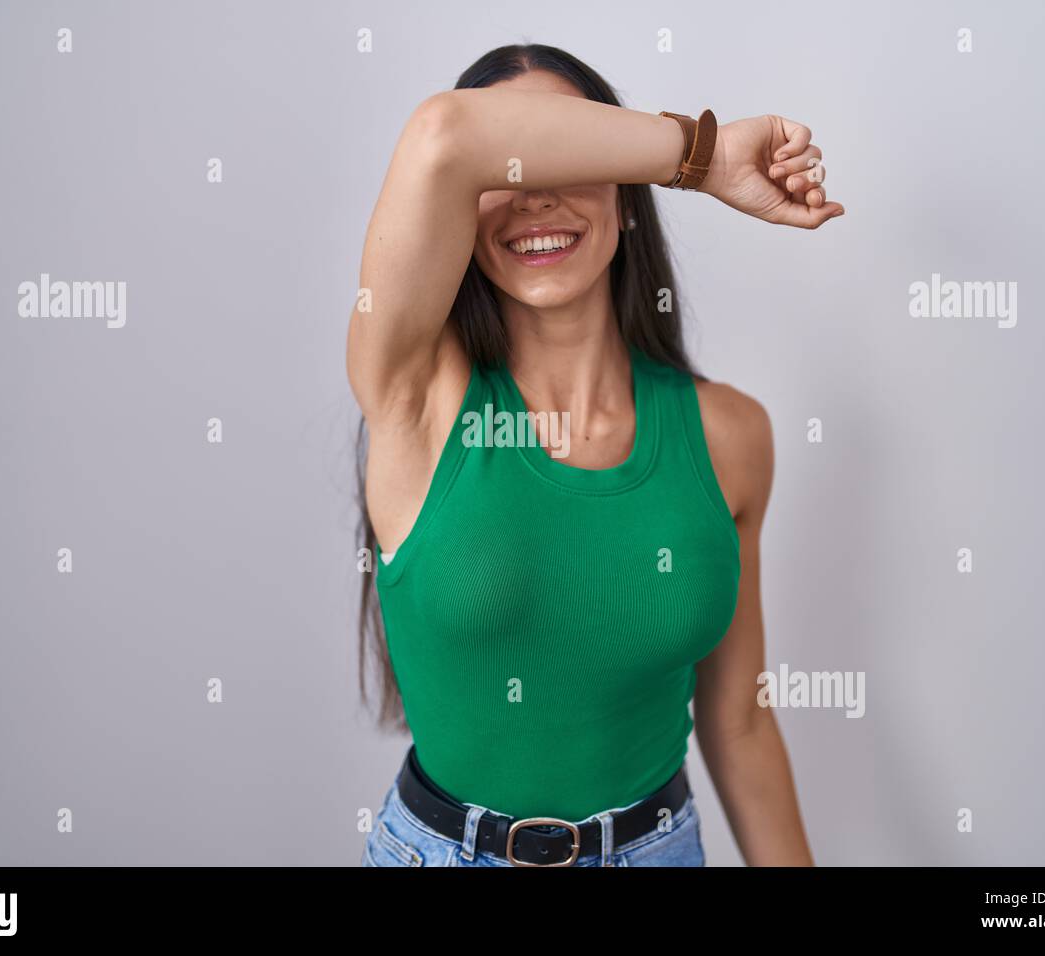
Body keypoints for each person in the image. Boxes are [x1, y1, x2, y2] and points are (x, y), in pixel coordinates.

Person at [347, 44, 841, 867]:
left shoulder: (731, 436)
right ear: (460, 214)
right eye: (505, 164)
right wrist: (705, 154)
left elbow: (740, 721)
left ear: (627, 198)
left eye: (566, 153)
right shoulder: (413, 394)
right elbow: (441, 135)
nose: (534, 193)